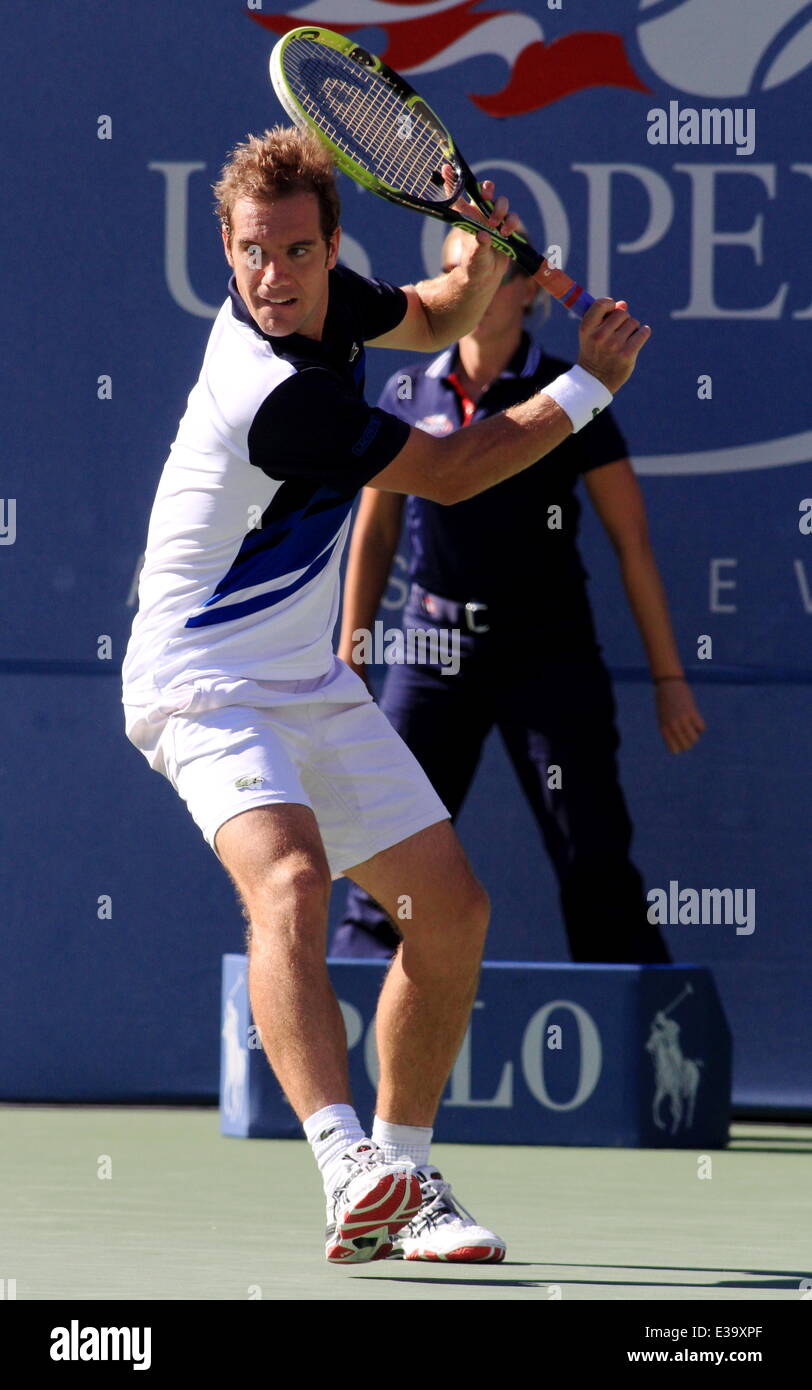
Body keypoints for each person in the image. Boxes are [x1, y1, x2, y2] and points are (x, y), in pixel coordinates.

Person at [121, 127, 651, 1266]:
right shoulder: (268, 390)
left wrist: (474, 260)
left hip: (302, 675)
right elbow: (454, 471)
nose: (275, 276)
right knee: (294, 879)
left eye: (298, 252)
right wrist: (586, 387)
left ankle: (402, 1180)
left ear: (327, 249)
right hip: (202, 678)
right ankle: (341, 1158)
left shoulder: (328, 301)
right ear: (226, 244)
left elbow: (438, 315)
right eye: (253, 252)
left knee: (449, 914)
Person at [332, 232, 705, 963]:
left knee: (593, 859)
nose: (473, 287)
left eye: (493, 273)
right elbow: (372, 539)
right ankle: (340, 1056)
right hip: (431, 650)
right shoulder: (407, 392)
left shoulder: (575, 386)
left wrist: (669, 678)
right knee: (386, 867)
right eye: (453, 273)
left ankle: (641, 1053)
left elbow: (633, 544)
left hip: (548, 652)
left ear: (532, 289)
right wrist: (350, 655)